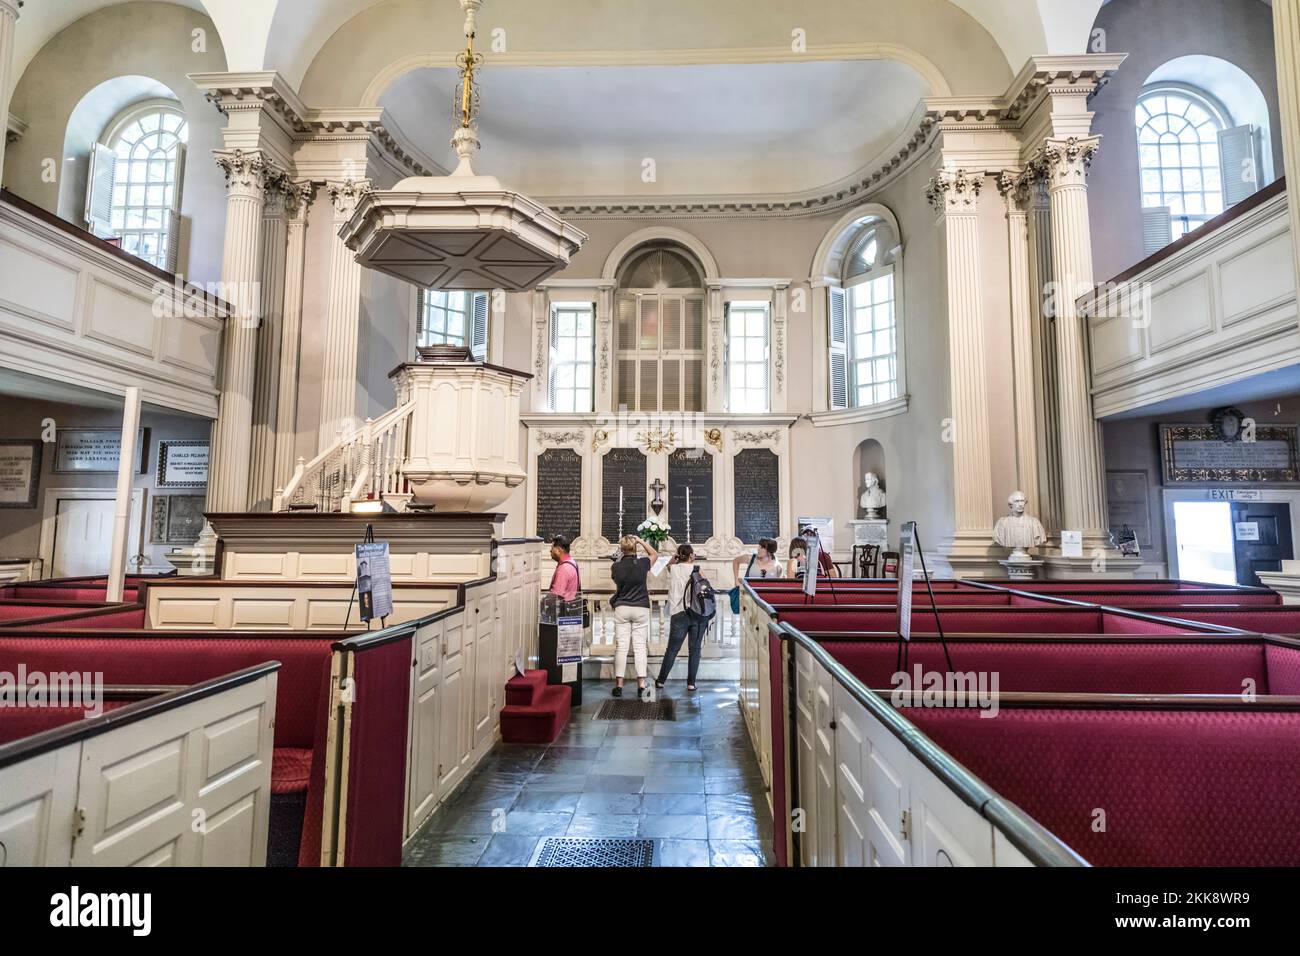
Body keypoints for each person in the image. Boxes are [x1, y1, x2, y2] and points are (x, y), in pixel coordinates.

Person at [609, 534, 657, 699]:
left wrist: (620, 554)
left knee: (621, 647)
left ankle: (619, 686)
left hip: (622, 607)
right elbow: (654, 555)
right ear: (635, 547)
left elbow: (617, 581)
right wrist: (642, 541)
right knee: (639, 647)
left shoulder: (616, 567)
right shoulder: (643, 563)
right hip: (641, 607)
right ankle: (641, 685)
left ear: (622, 549)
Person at [657, 543, 708, 693]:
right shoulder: (697, 569)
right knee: (695, 649)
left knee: (672, 649)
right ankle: (691, 683)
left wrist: (674, 558)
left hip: (678, 613)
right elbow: (706, 587)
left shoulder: (673, 568)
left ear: (679, 556)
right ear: (691, 555)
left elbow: (667, 564)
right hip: (697, 613)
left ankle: (660, 681)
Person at [546, 535, 580, 601]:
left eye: (552, 548)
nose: (550, 551)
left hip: (563, 609)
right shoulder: (573, 563)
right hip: (570, 607)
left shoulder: (563, 568)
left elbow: (555, 596)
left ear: (559, 550)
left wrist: (542, 602)